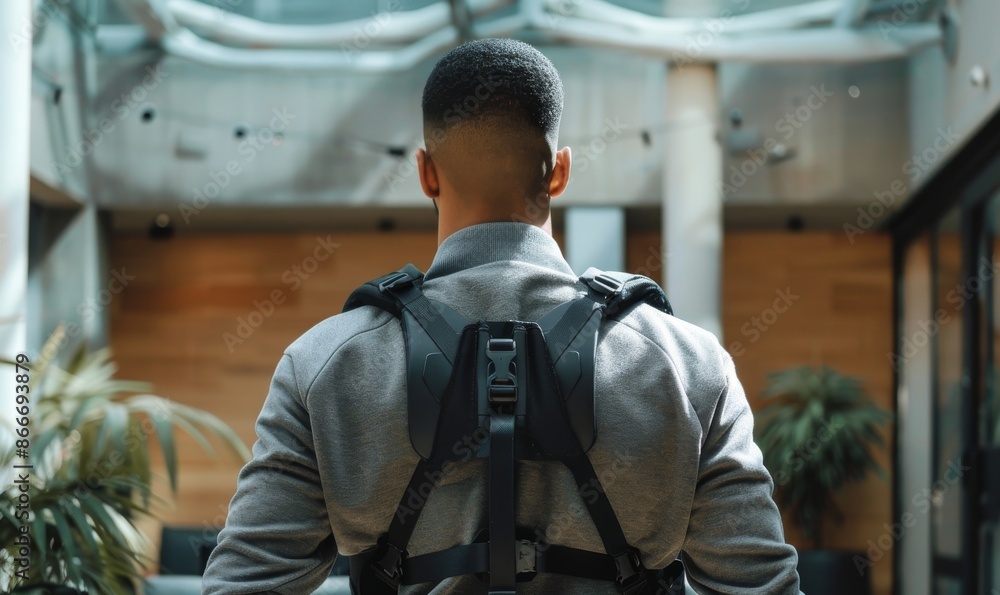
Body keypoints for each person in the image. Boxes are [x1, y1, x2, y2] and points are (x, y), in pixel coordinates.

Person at [202, 38, 801, 594]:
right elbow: (759, 583)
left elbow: (245, 584)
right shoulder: (688, 364)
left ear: (426, 173)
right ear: (560, 171)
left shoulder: (325, 364)